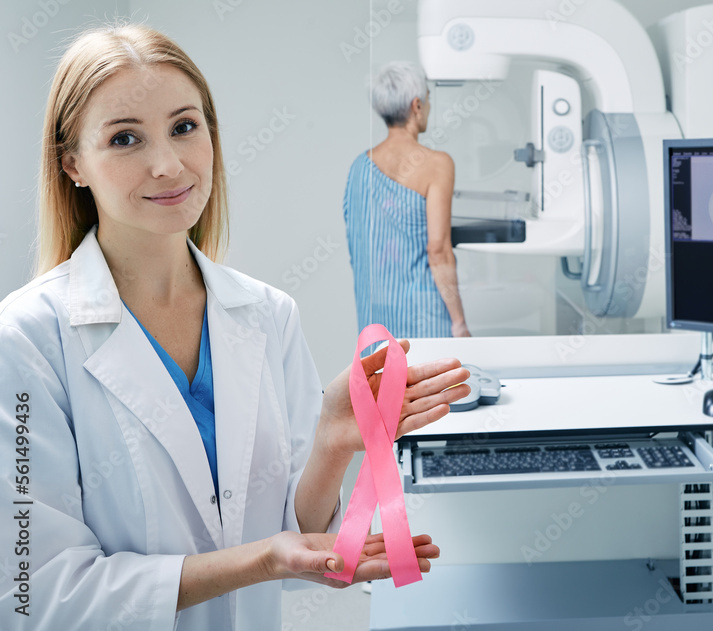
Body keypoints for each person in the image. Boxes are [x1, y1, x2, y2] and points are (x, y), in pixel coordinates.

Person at [0, 23, 470, 629]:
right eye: (124, 139)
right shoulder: (26, 340)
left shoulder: (268, 315)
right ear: (73, 165)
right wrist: (259, 561)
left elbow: (296, 537)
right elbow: (33, 594)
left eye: (184, 127)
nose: (169, 164)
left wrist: (331, 441)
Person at [344, 61, 471, 339]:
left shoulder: (358, 168)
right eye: (428, 98)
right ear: (417, 105)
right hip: (423, 321)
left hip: (374, 323)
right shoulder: (437, 164)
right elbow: (439, 252)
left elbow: (359, 249)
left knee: (386, 384)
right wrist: (459, 322)